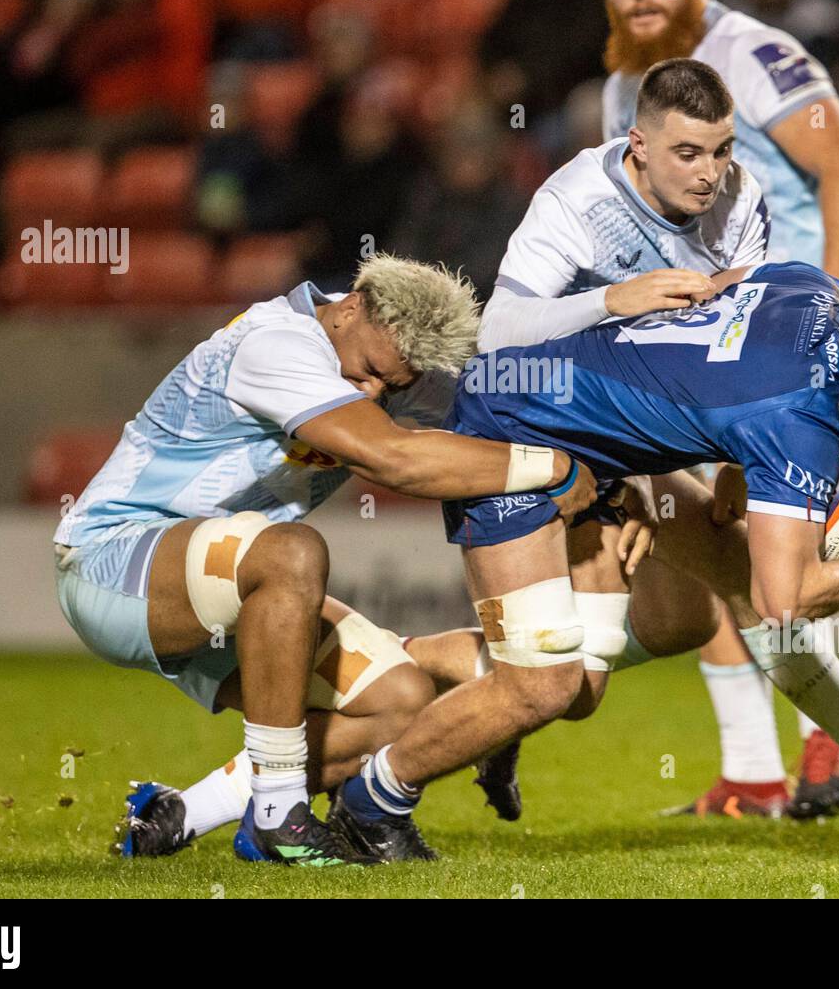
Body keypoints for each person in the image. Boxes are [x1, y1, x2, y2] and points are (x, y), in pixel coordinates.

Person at [328, 251, 839, 860]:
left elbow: (722, 293)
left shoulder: (811, 286)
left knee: (613, 665)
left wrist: (728, 462)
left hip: (590, 432)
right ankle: (374, 795)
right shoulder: (797, 416)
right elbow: (784, 601)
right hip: (511, 430)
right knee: (544, 685)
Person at [54, 254, 595, 867]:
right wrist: (554, 469)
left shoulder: (387, 364)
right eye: (369, 372)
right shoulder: (278, 344)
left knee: (402, 701)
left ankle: (179, 814)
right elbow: (392, 458)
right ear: (351, 307)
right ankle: (279, 812)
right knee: (293, 553)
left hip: (228, 589)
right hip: (116, 563)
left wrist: (616, 489)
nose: (373, 393)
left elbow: (499, 428)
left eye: (393, 387)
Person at [598, 0, 839, 819]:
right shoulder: (622, 90)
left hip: (774, 345)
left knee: (771, 551)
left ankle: (830, 748)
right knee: (710, 548)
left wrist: (831, 322)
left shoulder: (750, 54)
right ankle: (756, 774)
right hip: (694, 350)